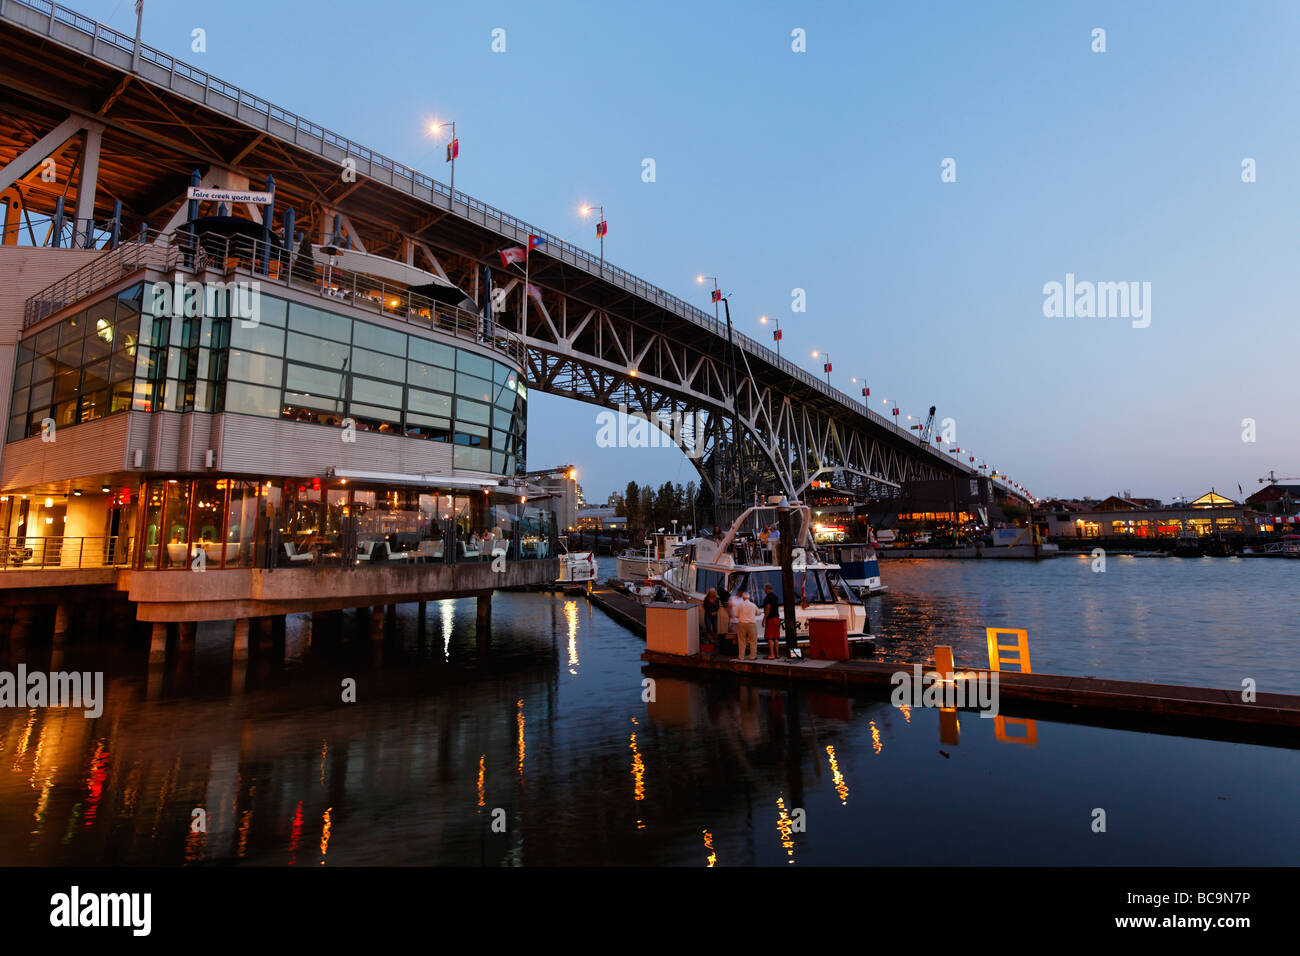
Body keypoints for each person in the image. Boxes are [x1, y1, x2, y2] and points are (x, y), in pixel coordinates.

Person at [734, 590, 760, 661]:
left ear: (743, 598)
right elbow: (758, 613)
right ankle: (752, 657)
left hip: (741, 624)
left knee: (741, 640)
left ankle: (741, 657)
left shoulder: (740, 606)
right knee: (753, 641)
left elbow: (736, 615)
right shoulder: (753, 605)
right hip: (751, 624)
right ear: (749, 597)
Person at [761, 582, 782, 659]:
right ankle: (777, 654)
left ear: (767, 589)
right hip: (777, 618)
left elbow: (767, 609)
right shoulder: (776, 597)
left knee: (770, 638)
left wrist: (764, 620)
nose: (764, 591)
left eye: (764, 589)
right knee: (776, 637)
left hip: (770, 619)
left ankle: (771, 655)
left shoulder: (768, 597)